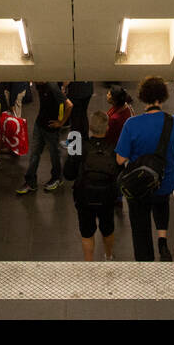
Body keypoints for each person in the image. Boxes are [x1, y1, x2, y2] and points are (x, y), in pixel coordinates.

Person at [114, 76, 174, 261]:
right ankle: (163, 242)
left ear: (143, 98)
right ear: (162, 98)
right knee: (161, 205)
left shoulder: (131, 124)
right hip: (164, 182)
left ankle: (146, 262)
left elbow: (120, 159)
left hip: (139, 186)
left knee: (140, 226)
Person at [63, 110, 120, 261]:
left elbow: (68, 174)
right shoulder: (113, 148)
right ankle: (108, 256)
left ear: (90, 128)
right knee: (107, 229)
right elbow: (119, 173)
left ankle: (89, 262)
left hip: (84, 197)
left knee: (87, 232)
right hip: (107, 198)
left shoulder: (80, 146)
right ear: (107, 128)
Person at [16, 81, 69, 195]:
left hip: (51, 129)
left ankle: (57, 178)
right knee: (34, 154)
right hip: (39, 124)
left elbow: (69, 105)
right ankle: (30, 182)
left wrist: (61, 123)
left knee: (54, 155)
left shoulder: (52, 87)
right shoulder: (39, 84)